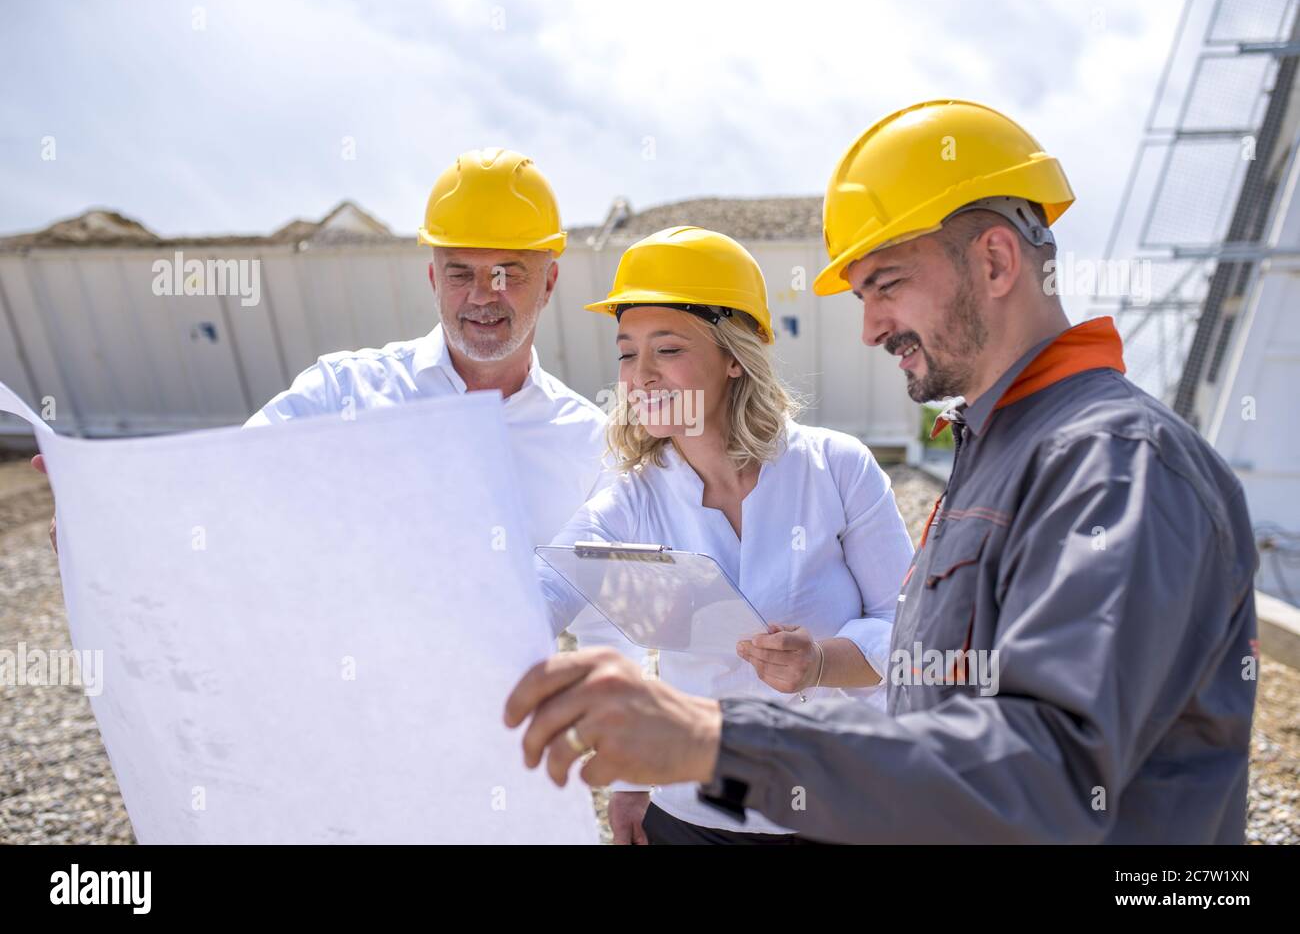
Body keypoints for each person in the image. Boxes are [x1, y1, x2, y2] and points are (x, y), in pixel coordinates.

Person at [505, 100, 1260, 844]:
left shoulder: (1115, 467)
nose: (869, 327)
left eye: (887, 284)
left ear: (995, 260)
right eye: (862, 295)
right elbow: (930, 678)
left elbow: (1049, 775)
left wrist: (717, 739)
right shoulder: (997, 450)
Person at [37, 147, 609, 557]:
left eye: (508, 273)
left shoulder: (586, 441)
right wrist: (112, 512)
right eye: (461, 272)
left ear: (551, 281)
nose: (483, 296)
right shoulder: (344, 393)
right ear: (432, 278)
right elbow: (227, 482)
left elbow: (607, 627)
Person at [538, 226, 912, 844]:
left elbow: (912, 633)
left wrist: (820, 663)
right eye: (627, 352)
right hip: (696, 818)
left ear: (733, 356)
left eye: (668, 349)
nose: (641, 376)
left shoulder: (837, 468)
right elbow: (542, 589)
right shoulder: (630, 501)